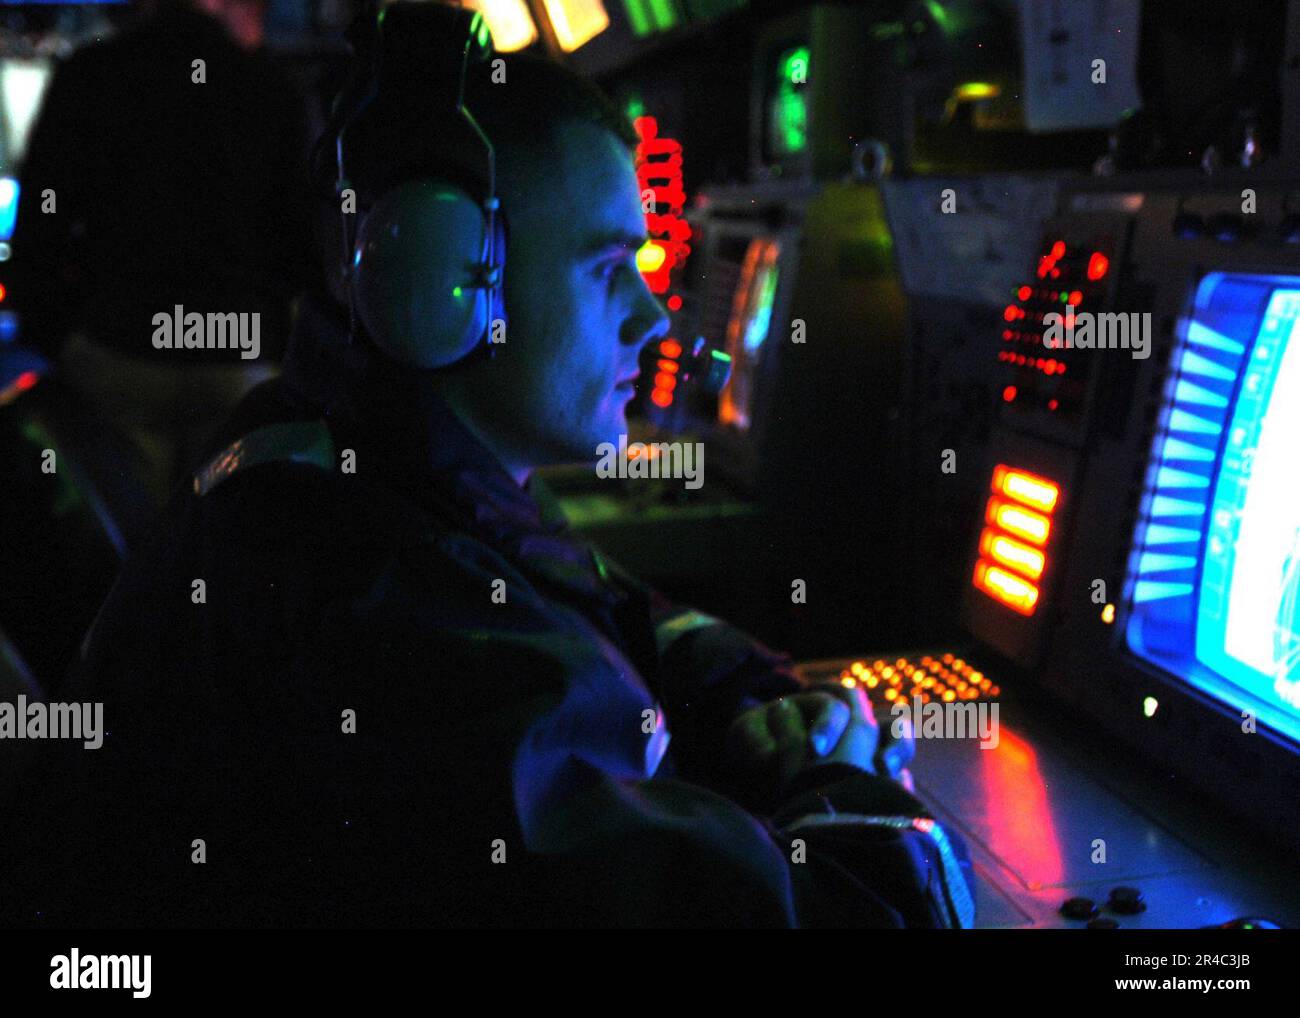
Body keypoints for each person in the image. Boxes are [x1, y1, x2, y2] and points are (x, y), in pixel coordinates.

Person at [5, 32, 974, 928]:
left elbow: (603, 602)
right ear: (437, 280)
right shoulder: (388, 603)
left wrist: (749, 694)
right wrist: (844, 784)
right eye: (606, 269)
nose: (654, 320)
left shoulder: (353, 454)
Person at [8, 0, 313, 502]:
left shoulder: (91, 75)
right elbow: (300, 239)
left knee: (127, 535)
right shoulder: (267, 87)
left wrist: (55, 333)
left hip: (118, 343)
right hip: (236, 349)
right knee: (224, 529)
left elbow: (44, 221)